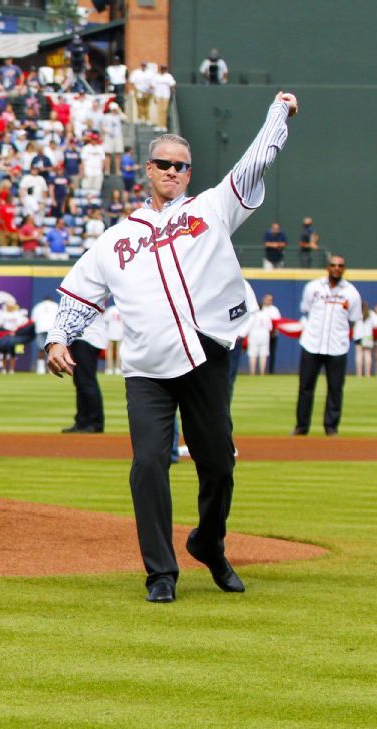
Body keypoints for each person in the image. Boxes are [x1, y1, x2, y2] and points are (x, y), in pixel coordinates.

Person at [45, 92, 299, 603]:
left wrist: (277, 115)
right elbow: (80, 292)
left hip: (205, 357)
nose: (172, 171)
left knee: (219, 465)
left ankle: (209, 542)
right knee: (148, 466)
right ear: (148, 169)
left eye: (181, 166)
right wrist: (58, 336)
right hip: (146, 369)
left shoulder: (212, 208)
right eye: (163, 163)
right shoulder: (116, 238)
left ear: (189, 172)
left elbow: (255, 161)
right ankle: (161, 572)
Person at [293, 255, 362, 436]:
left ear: (344, 269)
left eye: (340, 266)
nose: (336, 268)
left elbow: (353, 320)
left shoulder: (351, 292)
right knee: (305, 388)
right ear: (327, 267)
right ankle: (301, 426)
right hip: (312, 343)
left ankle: (331, 427)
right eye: (333, 265)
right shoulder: (313, 287)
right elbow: (306, 310)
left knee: (335, 389)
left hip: (337, 346)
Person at [62, 313, 107, 433]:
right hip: (83, 337)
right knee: (80, 382)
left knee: (87, 382)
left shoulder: (88, 295)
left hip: (88, 338)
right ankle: (82, 421)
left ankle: (95, 423)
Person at [246, 294, 277, 376]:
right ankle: (262, 373)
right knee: (263, 354)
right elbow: (270, 327)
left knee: (253, 354)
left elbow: (248, 327)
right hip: (264, 336)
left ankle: (252, 372)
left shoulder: (253, 315)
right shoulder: (266, 315)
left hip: (254, 335)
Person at [30, 295, 59, 374]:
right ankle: (51, 369)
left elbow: (33, 320)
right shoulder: (56, 306)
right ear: (51, 300)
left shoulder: (38, 306)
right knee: (52, 349)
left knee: (41, 348)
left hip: (40, 329)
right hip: (52, 329)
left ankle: (41, 369)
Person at [355, 302, 376, 378]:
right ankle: (368, 374)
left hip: (358, 336)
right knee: (367, 354)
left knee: (359, 354)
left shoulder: (356, 314)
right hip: (368, 336)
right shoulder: (371, 314)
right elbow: (375, 324)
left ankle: (359, 374)